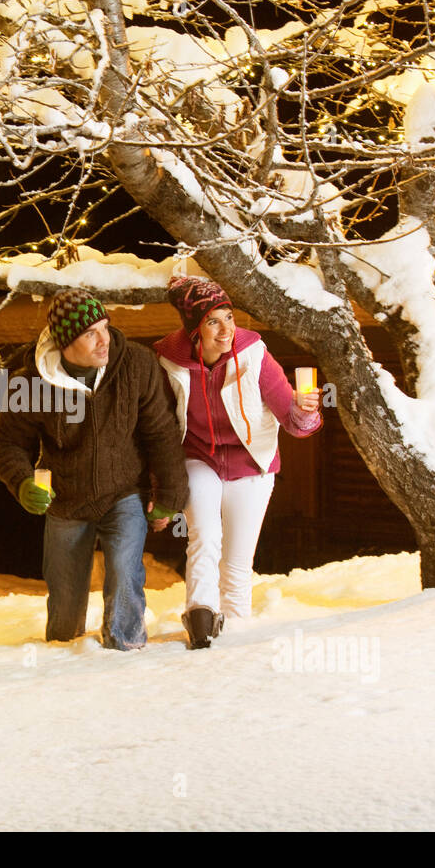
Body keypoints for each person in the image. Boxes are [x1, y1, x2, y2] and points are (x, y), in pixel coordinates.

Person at [0, 289, 189, 650]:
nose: (104, 340)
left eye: (105, 327)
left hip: (124, 489)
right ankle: (62, 662)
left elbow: (161, 433)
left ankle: (125, 649)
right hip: (65, 498)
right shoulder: (31, 381)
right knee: (64, 611)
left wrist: (170, 495)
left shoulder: (137, 365)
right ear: (65, 343)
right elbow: (7, 443)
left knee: (125, 573)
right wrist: (21, 483)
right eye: (90, 333)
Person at [154, 276, 323, 649]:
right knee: (204, 535)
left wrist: (305, 411)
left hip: (253, 464)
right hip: (199, 458)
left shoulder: (255, 353)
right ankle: (200, 616)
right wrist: (159, 488)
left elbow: (293, 422)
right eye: (213, 321)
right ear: (195, 329)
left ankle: (236, 632)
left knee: (237, 560)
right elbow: (159, 430)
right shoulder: (170, 362)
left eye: (229, 316)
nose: (226, 329)